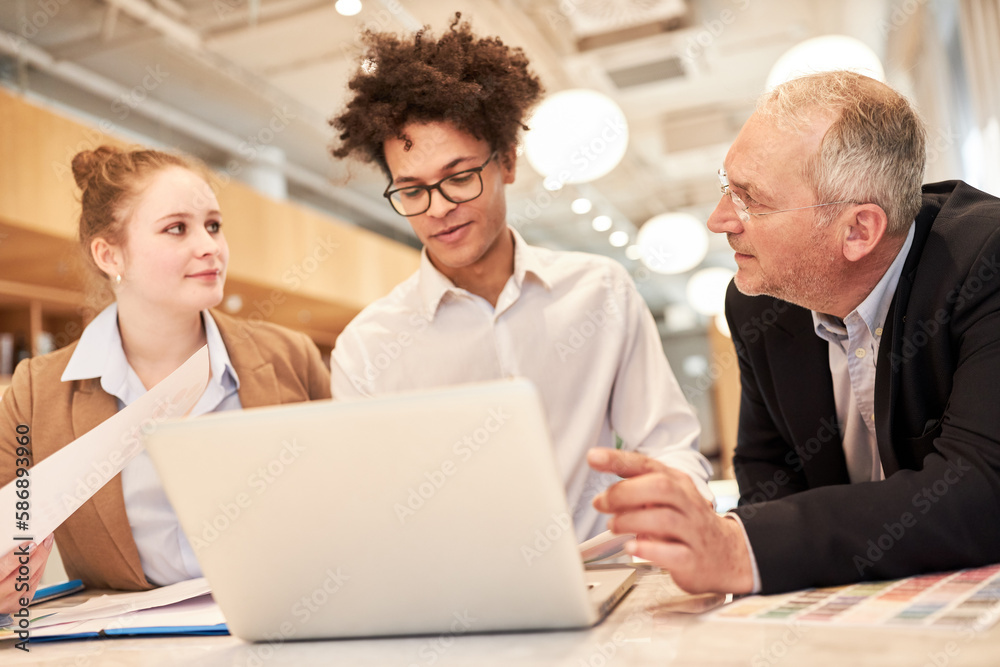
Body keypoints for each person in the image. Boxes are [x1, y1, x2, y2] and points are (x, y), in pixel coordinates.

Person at [589, 70, 1000, 595]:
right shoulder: (757, 301)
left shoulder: (987, 262)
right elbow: (768, 468)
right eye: (725, 187)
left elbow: (983, 492)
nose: (718, 220)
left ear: (858, 230)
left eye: (749, 200)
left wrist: (741, 547)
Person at [328, 15, 711, 541]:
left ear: (506, 161)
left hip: (606, 576)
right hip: (456, 598)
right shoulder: (368, 348)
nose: (438, 208)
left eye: (459, 177)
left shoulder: (599, 292)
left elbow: (668, 445)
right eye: (412, 190)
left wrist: (672, 506)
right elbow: (366, 506)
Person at [0, 146, 331, 613]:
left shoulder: (289, 357)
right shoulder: (37, 394)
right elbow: (7, 528)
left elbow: (347, 501)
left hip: (285, 628)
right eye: (177, 228)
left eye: (213, 225)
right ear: (109, 254)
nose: (209, 245)